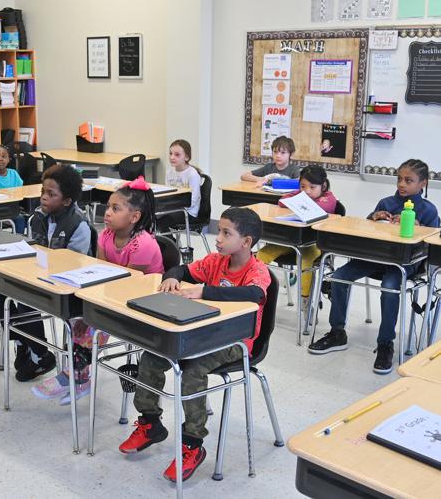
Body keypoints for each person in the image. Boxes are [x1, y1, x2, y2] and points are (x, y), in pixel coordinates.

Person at [119, 208, 270, 483]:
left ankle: (192, 443)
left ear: (246, 242)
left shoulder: (257, 271)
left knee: (193, 371)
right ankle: (150, 422)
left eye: (227, 233)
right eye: (220, 231)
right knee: (151, 356)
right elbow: (182, 268)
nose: (219, 238)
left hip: (236, 341)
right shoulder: (215, 261)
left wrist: (205, 291)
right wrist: (173, 276)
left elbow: (254, 293)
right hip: (200, 333)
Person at [33, 176, 163, 404]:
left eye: (116, 208)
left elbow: (130, 284)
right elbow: (101, 271)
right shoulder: (105, 235)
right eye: (108, 207)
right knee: (77, 320)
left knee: (94, 324)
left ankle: (71, 375)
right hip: (114, 295)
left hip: (141, 303)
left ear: (134, 217)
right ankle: (80, 378)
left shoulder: (144, 244)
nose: (108, 213)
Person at [309, 159, 439, 374]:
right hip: (376, 256)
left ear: (422, 183)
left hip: (405, 264)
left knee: (389, 286)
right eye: (399, 179)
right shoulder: (386, 202)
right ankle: (337, 332)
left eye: (409, 180)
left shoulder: (428, 210)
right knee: (340, 276)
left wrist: (419, 228)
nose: (402, 184)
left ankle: (385, 343)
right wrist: (373, 218)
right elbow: (370, 232)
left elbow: (432, 244)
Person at [0, 164, 93, 382]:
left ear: (67, 200)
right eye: (42, 192)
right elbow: (33, 249)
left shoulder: (79, 225)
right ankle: (23, 343)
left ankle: (40, 356)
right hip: (40, 276)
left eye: (51, 194)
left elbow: (75, 264)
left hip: (68, 286)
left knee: (25, 298)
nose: (43, 198)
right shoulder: (36, 217)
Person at [256, 165, 338, 312]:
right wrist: (297, 195)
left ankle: (305, 302)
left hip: (314, 245)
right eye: (303, 186)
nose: (307, 191)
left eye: (312, 187)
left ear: (323, 186)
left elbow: (320, 208)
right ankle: (255, 291)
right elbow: (282, 201)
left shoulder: (329, 198)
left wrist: (298, 201)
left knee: (306, 262)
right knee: (262, 255)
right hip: (292, 242)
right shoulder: (301, 194)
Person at [158, 139, 203, 232]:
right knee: (152, 217)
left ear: (186, 157)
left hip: (188, 212)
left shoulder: (192, 174)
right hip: (174, 208)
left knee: (162, 221)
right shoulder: (169, 172)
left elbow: (193, 200)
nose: (172, 157)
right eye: (170, 153)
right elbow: (167, 194)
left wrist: (173, 207)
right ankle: (167, 244)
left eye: (177, 155)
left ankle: (170, 245)